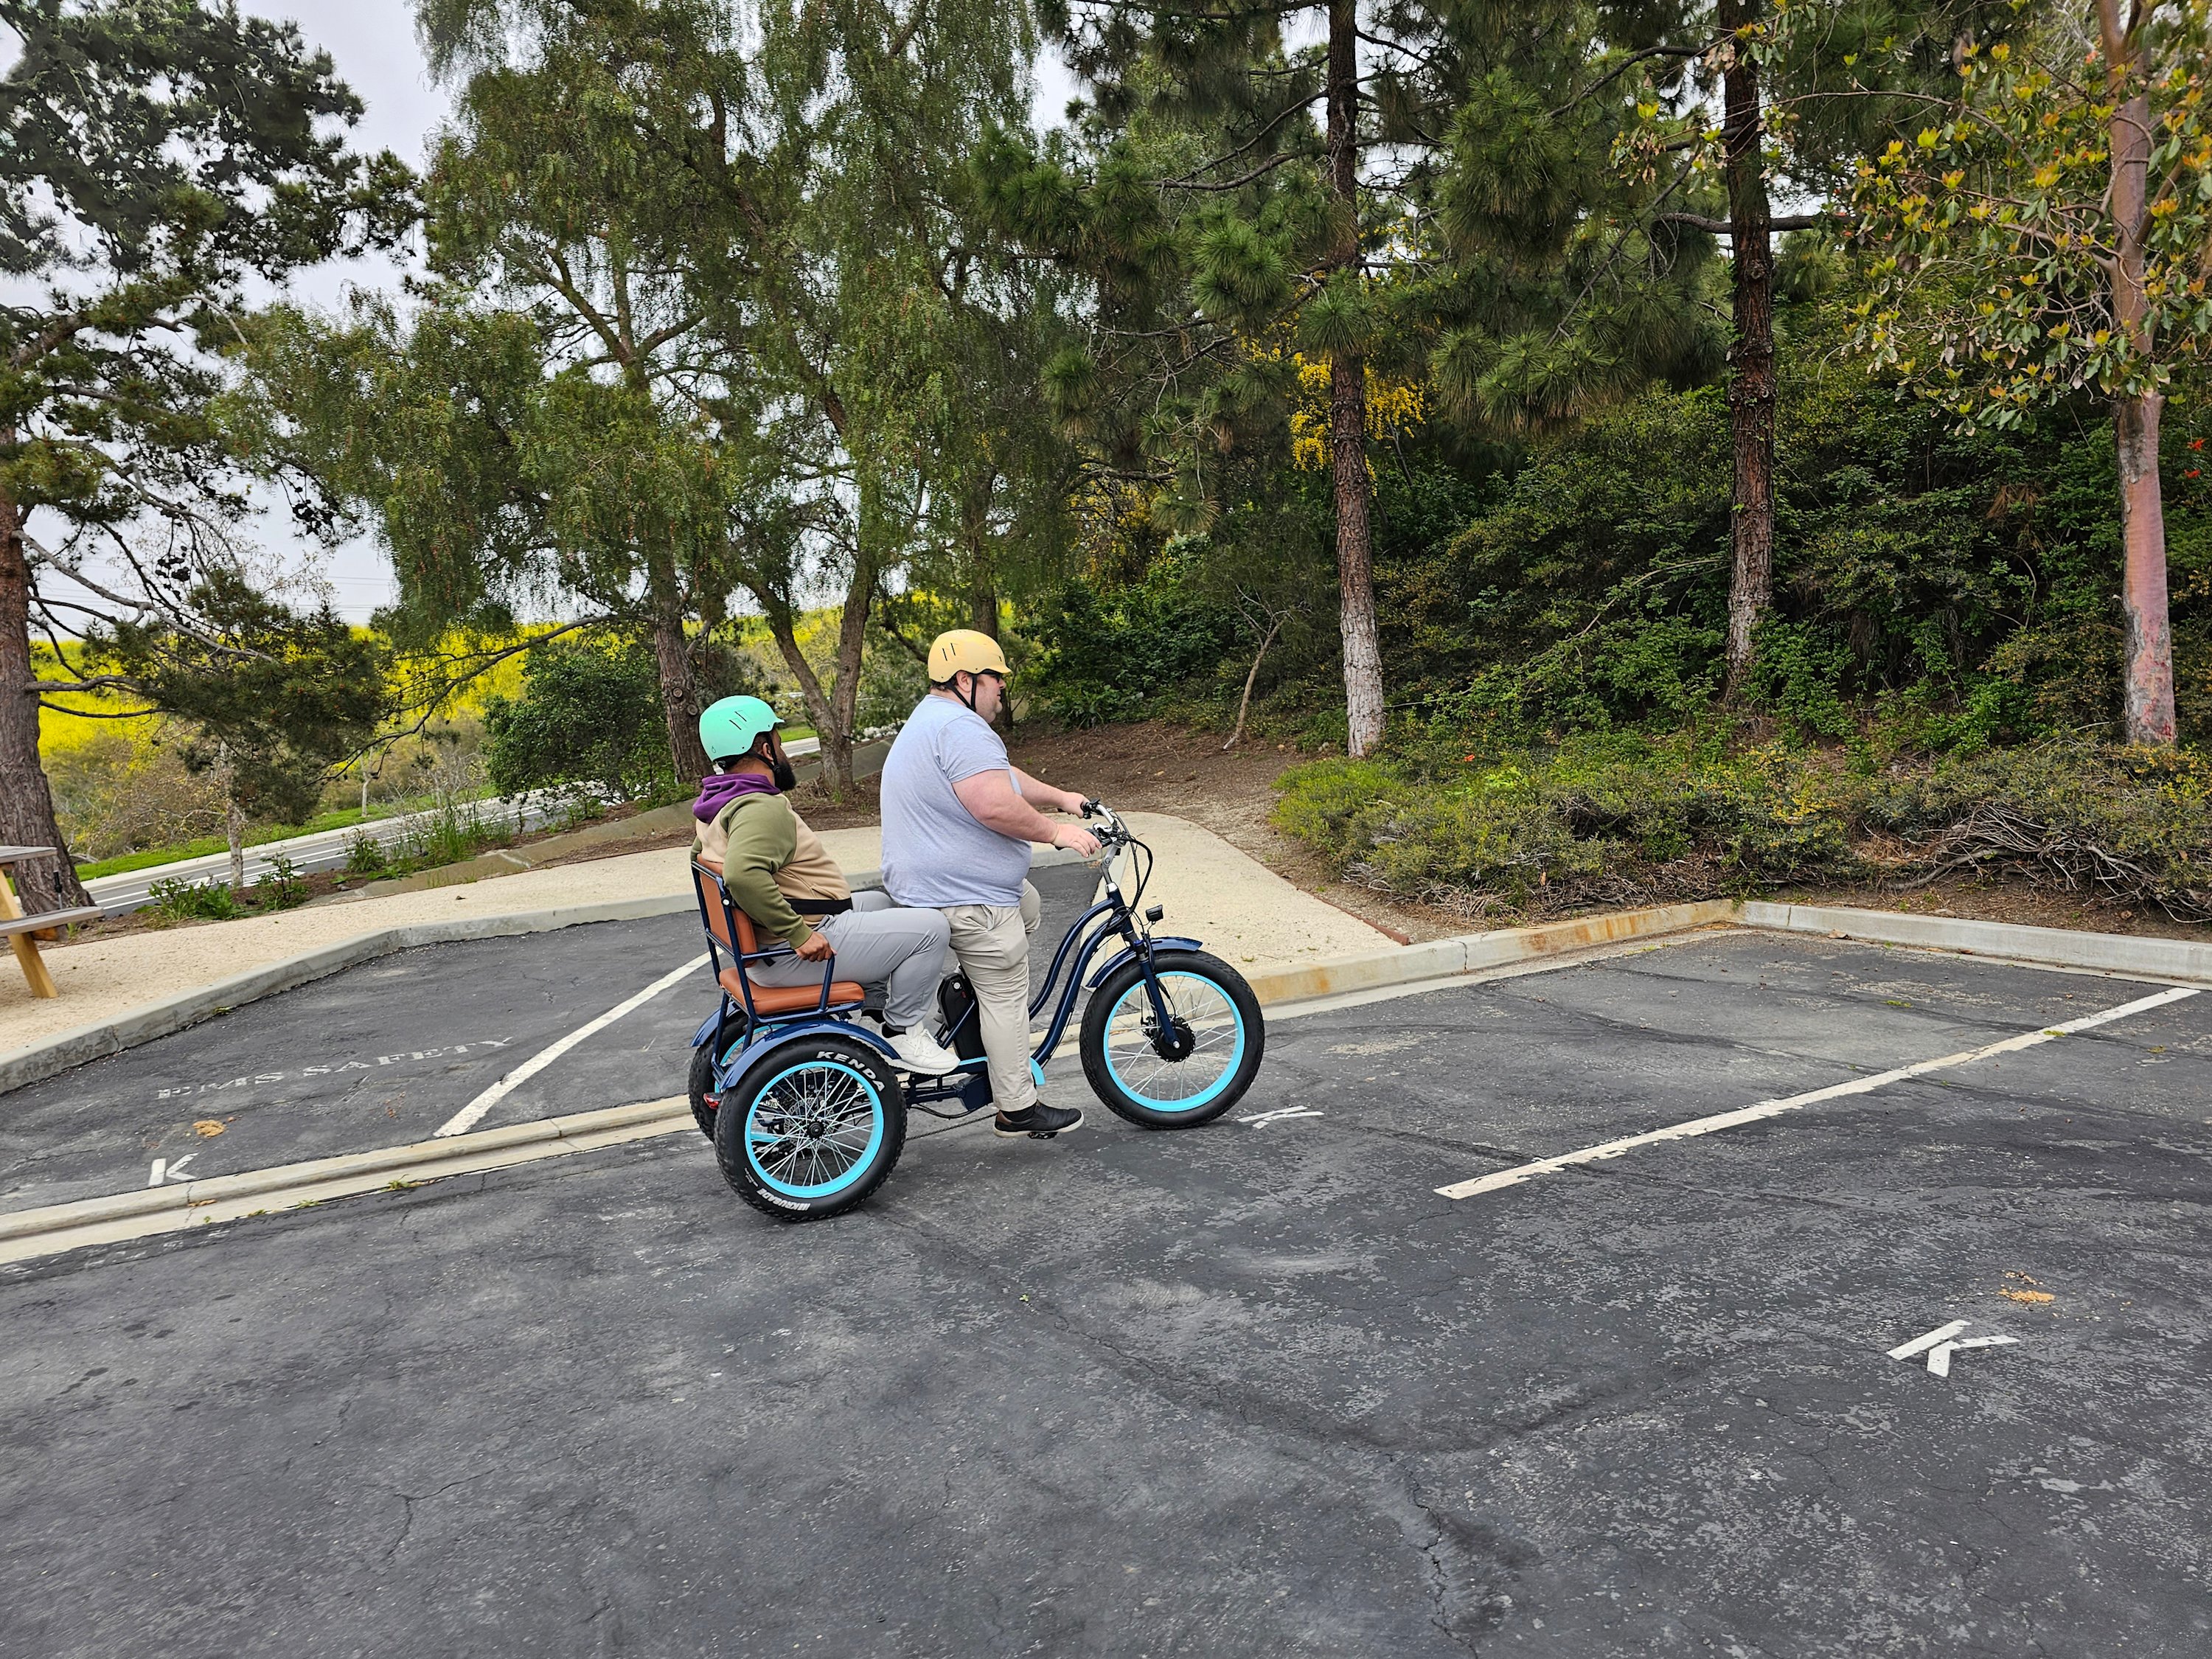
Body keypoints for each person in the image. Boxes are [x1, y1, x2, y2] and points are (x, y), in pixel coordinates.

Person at [878, 630, 1100, 1137]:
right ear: (965, 681)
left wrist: (1063, 797)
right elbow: (994, 804)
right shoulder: (961, 727)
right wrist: (1057, 833)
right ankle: (1017, 1107)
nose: (1002, 687)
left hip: (938, 885)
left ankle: (967, 998)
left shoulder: (936, 720)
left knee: (1029, 903)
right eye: (995, 677)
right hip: (961, 897)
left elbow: (1002, 778)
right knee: (1005, 988)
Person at [692, 695, 964, 1077]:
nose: (785, 752)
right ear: (763, 748)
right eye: (779, 741)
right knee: (932, 929)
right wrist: (798, 934)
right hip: (792, 952)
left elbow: (702, 857)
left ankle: (876, 999)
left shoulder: (717, 802)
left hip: (765, 948)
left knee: (882, 904)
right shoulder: (760, 807)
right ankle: (903, 1031)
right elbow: (741, 875)